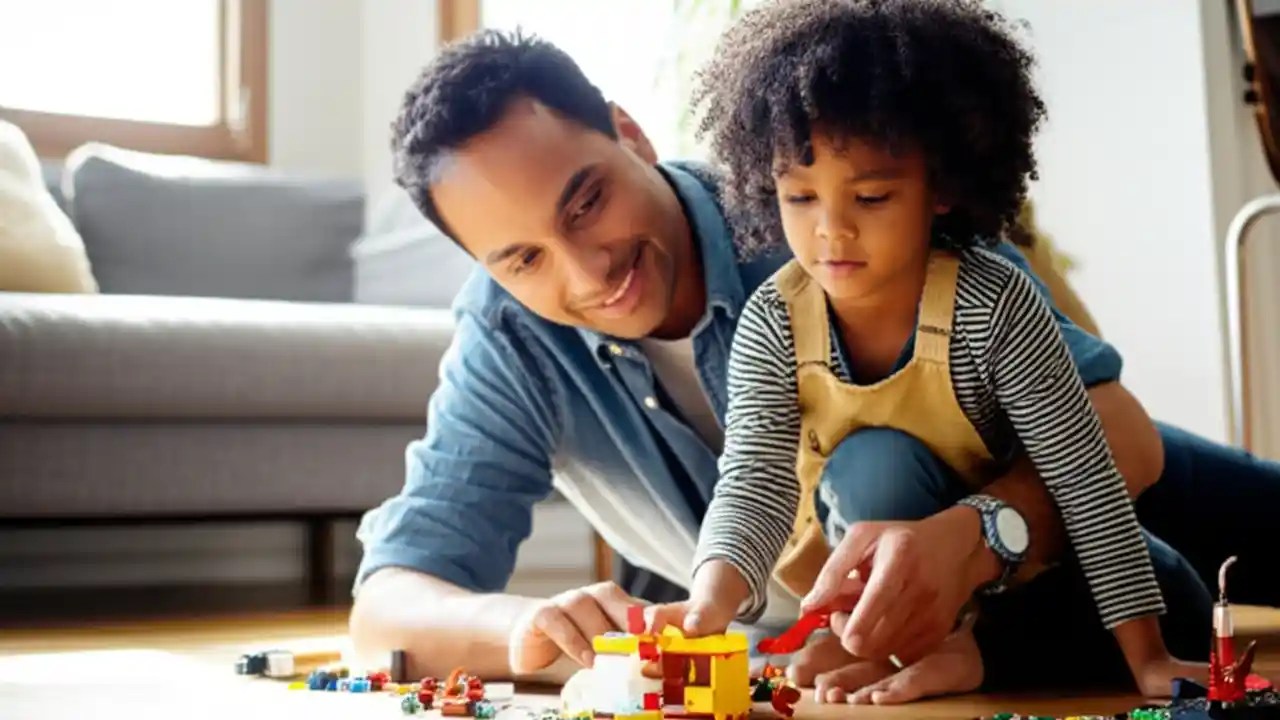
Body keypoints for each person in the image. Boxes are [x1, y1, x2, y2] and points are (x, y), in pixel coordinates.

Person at [349, 24, 1279, 703]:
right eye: (520, 259)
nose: (586, 269)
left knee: (1190, 578)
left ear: (628, 133)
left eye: (586, 201)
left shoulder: (818, 200)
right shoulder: (509, 342)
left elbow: (1114, 439)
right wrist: (522, 630)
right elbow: (385, 604)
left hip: (1067, 485)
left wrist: (981, 529)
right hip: (915, 638)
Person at [642, 0, 1199, 703]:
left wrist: (1149, 658)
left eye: (871, 197)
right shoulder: (773, 322)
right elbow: (754, 479)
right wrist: (707, 605)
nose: (831, 232)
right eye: (800, 196)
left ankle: (975, 652)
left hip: (1033, 572)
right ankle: (927, 648)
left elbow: (1086, 483)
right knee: (872, 465)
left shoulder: (994, 304)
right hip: (898, 587)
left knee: (1182, 597)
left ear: (942, 188)